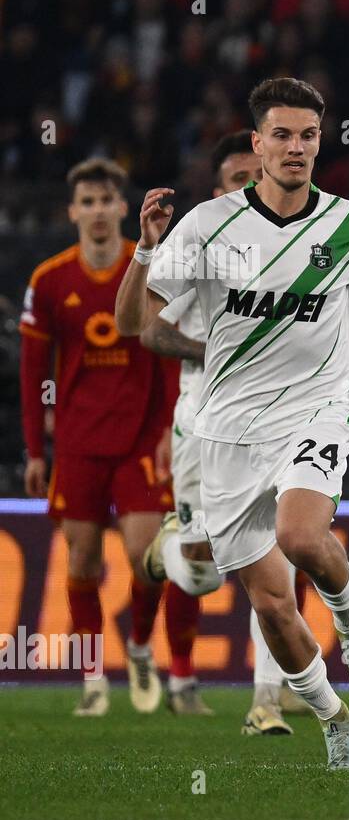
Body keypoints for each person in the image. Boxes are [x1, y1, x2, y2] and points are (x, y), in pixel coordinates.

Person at [116, 77, 349, 768]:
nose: (297, 148)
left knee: (300, 533)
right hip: (225, 431)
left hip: (316, 409)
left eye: (309, 135)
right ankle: (333, 718)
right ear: (257, 143)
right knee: (273, 607)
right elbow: (137, 324)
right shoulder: (209, 224)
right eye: (282, 134)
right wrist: (146, 248)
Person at [136, 128, 349, 733]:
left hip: (297, 416)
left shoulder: (318, 231)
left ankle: (270, 695)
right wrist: (219, 349)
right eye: (232, 180)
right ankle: (174, 543)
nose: (245, 187)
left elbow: (298, 316)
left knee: (292, 542)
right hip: (208, 422)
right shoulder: (203, 238)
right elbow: (145, 328)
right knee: (200, 572)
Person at [20, 158, 183, 717]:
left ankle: (139, 647)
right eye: (85, 202)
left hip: (139, 439)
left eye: (104, 200)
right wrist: (34, 451)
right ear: (72, 212)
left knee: (144, 559)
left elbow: (162, 350)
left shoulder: (147, 268)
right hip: (78, 443)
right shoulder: (50, 280)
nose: (95, 211)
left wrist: (167, 428)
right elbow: (33, 371)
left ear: (121, 207)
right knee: (83, 563)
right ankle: (93, 677)